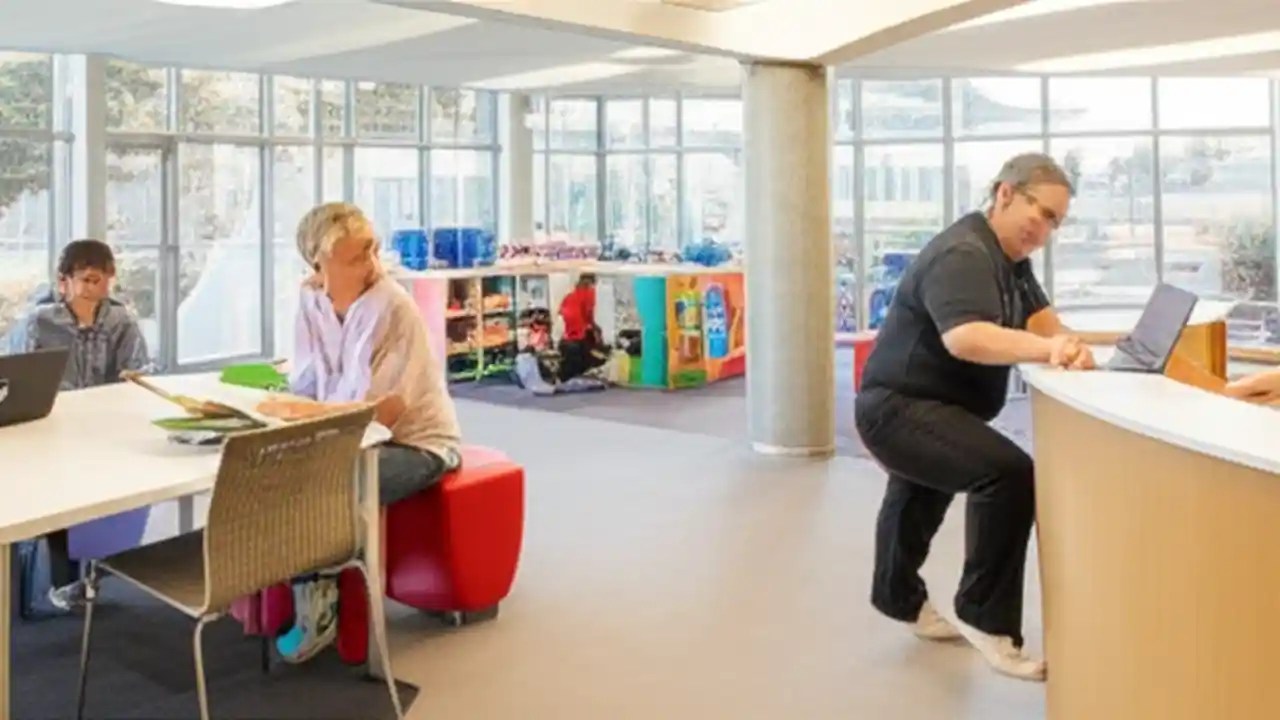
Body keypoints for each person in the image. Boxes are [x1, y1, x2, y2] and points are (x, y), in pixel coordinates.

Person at [854, 153, 1093, 682]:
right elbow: (964, 337)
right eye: (1042, 212)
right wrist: (1049, 349)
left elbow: (1047, 327)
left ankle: (898, 598)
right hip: (898, 407)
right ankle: (985, 617)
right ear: (1005, 193)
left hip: (935, 404)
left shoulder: (1012, 263)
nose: (1045, 229)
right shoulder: (964, 252)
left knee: (917, 495)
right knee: (1005, 475)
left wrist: (1077, 346)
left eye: (1056, 221)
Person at [255, 202, 462, 664]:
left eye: (372, 252)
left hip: (417, 445)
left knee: (320, 484)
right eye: (355, 258)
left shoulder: (394, 308)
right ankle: (276, 589)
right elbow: (307, 381)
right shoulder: (310, 299)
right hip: (345, 437)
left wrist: (307, 425)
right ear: (318, 264)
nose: (370, 266)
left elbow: (384, 412)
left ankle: (319, 601)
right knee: (266, 471)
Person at [19, 239, 152, 611]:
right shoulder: (40, 322)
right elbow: (25, 376)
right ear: (65, 281)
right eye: (86, 278)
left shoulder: (120, 320)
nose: (94, 287)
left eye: (101, 279)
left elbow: (140, 368)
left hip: (107, 426)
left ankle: (101, 567)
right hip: (53, 428)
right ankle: (63, 580)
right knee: (59, 491)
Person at [556, 273, 607, 381]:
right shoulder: (589, 293)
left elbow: (561, 315)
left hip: (568, 336)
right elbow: (588, 315)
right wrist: (595, 329)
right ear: (592, 282)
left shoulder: (569, 296)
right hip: (580, 336)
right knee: (594, 354)